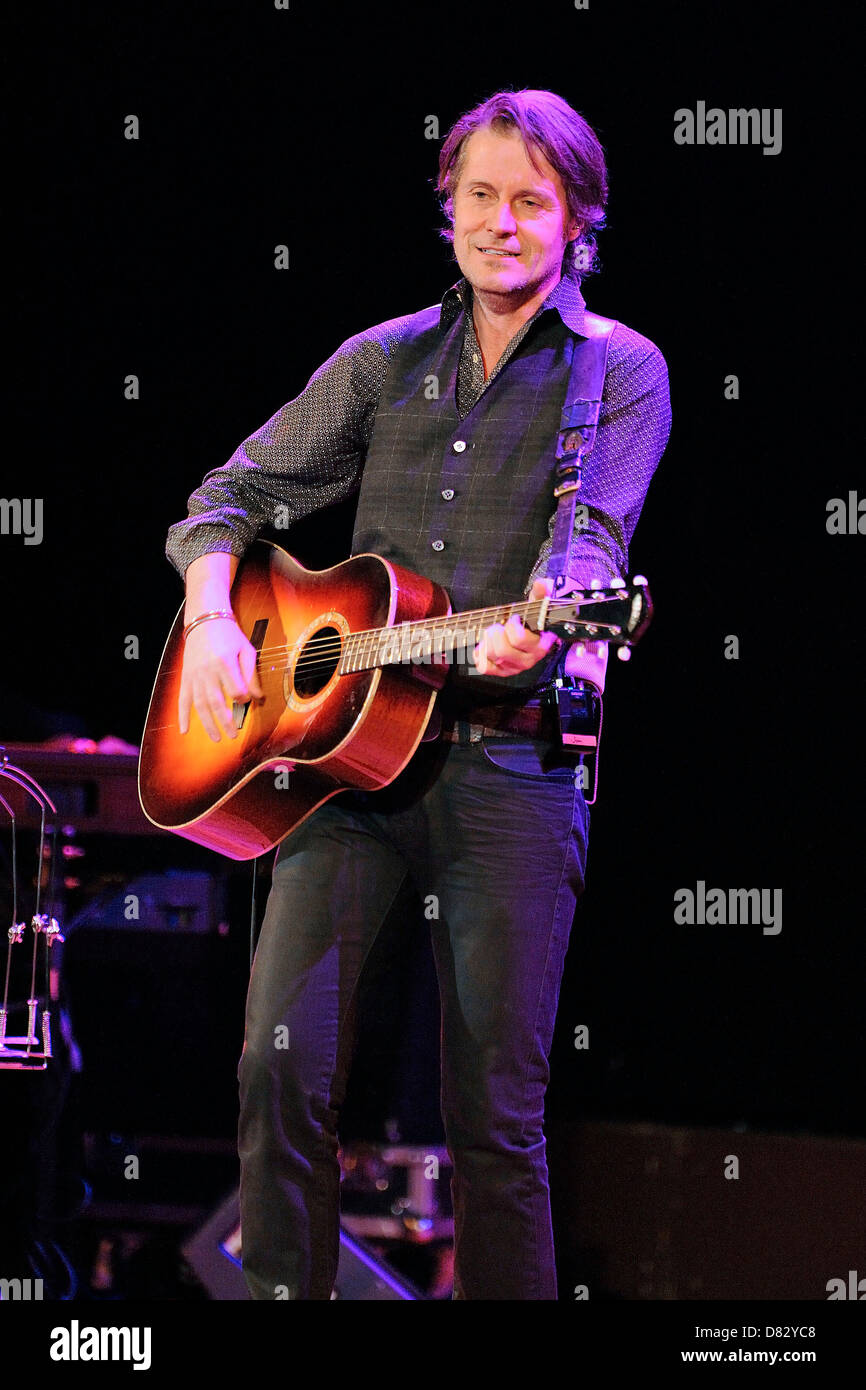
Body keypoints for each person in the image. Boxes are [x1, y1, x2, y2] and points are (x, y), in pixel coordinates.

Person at [165, 88, 671, 1300]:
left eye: (531, 200)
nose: (502, 221)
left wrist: (542, 628)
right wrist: (208, 620)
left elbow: (587, 545)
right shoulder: (380, 359)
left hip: (509, 765)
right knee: (277, 1075)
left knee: (492, 1117)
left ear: (577, 221)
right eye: (480, 195)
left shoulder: (617, 372)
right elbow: (223, 498)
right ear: (447, 208)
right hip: (342, 763)